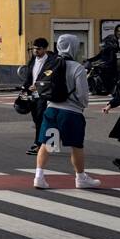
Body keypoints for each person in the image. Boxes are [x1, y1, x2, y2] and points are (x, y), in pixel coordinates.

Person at [33, 34, 100, 190]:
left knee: (47, 144)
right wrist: (82, 105)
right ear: (74, 47)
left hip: (51, 109)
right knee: (76, 146)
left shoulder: (50, 64)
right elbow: (83, 94)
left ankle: (39, 177)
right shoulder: (78, 68)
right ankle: (80, 178)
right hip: (71, 113)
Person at [20, 38, 52, 155]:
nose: (35, 51)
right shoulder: (33, 60)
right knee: (36, 118)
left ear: (45, 49)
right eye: (34, 49)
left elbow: (50, 78)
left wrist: (38, 86)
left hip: (43, 95)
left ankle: (38, 144)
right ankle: (47, 141)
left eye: (38, 49)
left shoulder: (51, 62)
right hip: (32, 94)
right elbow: (29, 76)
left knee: (40, 118)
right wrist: (24, 90)